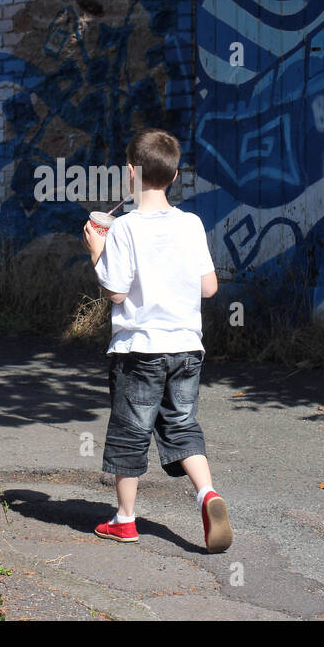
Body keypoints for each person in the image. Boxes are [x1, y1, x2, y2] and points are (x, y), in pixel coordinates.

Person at [80, 128, 232, 553]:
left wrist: (97, 251)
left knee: (131, 431)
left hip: (139, 349)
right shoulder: (191, 223)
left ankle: (125, 520)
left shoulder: (126, 228)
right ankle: (207, 493)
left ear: (130, 172)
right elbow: (209, 288)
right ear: (176, 174)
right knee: (182, 424)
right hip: (187, 347)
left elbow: (116, 292)